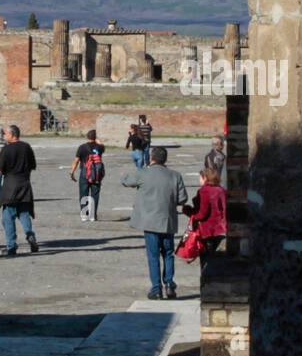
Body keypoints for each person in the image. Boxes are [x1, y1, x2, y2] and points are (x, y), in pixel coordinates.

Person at [122, 146, 188, 300]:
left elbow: (126, 181)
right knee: (168, 254)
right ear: (165, 159)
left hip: (150, 221)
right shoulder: (175, 175)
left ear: (151, 158)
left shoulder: (143, 173)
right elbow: (182, 199)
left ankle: (157, 288)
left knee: (153, 256)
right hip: (167, 221)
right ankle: (170, 283)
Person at [0, 125, 38, 255]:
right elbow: (33, 165)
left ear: (13, 135)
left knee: (8, 216)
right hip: (24, 183)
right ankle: (30, 235)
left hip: (10, 185)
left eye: (6, 134)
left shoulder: (6, 150)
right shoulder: (27, 147)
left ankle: (11, 246)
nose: (4, 136)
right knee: (24, 213)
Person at [187, 164, 227, 266]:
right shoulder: (221, 190)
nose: (199, 180)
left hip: (207, 229)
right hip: (220, 229)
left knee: (206, 259)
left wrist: (190, 213)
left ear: (205, 178)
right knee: (217, 258)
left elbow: (202, 213)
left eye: (200, 177)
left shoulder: (204, 191)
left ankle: (207, 278)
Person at [70, 128, 106, 222]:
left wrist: (72, 172)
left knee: (83, 193)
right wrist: (98, 140)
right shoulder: (100, 148)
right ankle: (93, 215)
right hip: (97, 173)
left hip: (85, 173)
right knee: (95, 194)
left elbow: (76, 160)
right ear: (95, 137)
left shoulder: (82, 147)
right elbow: (102, 145)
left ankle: (84, 215)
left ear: (87, 137)